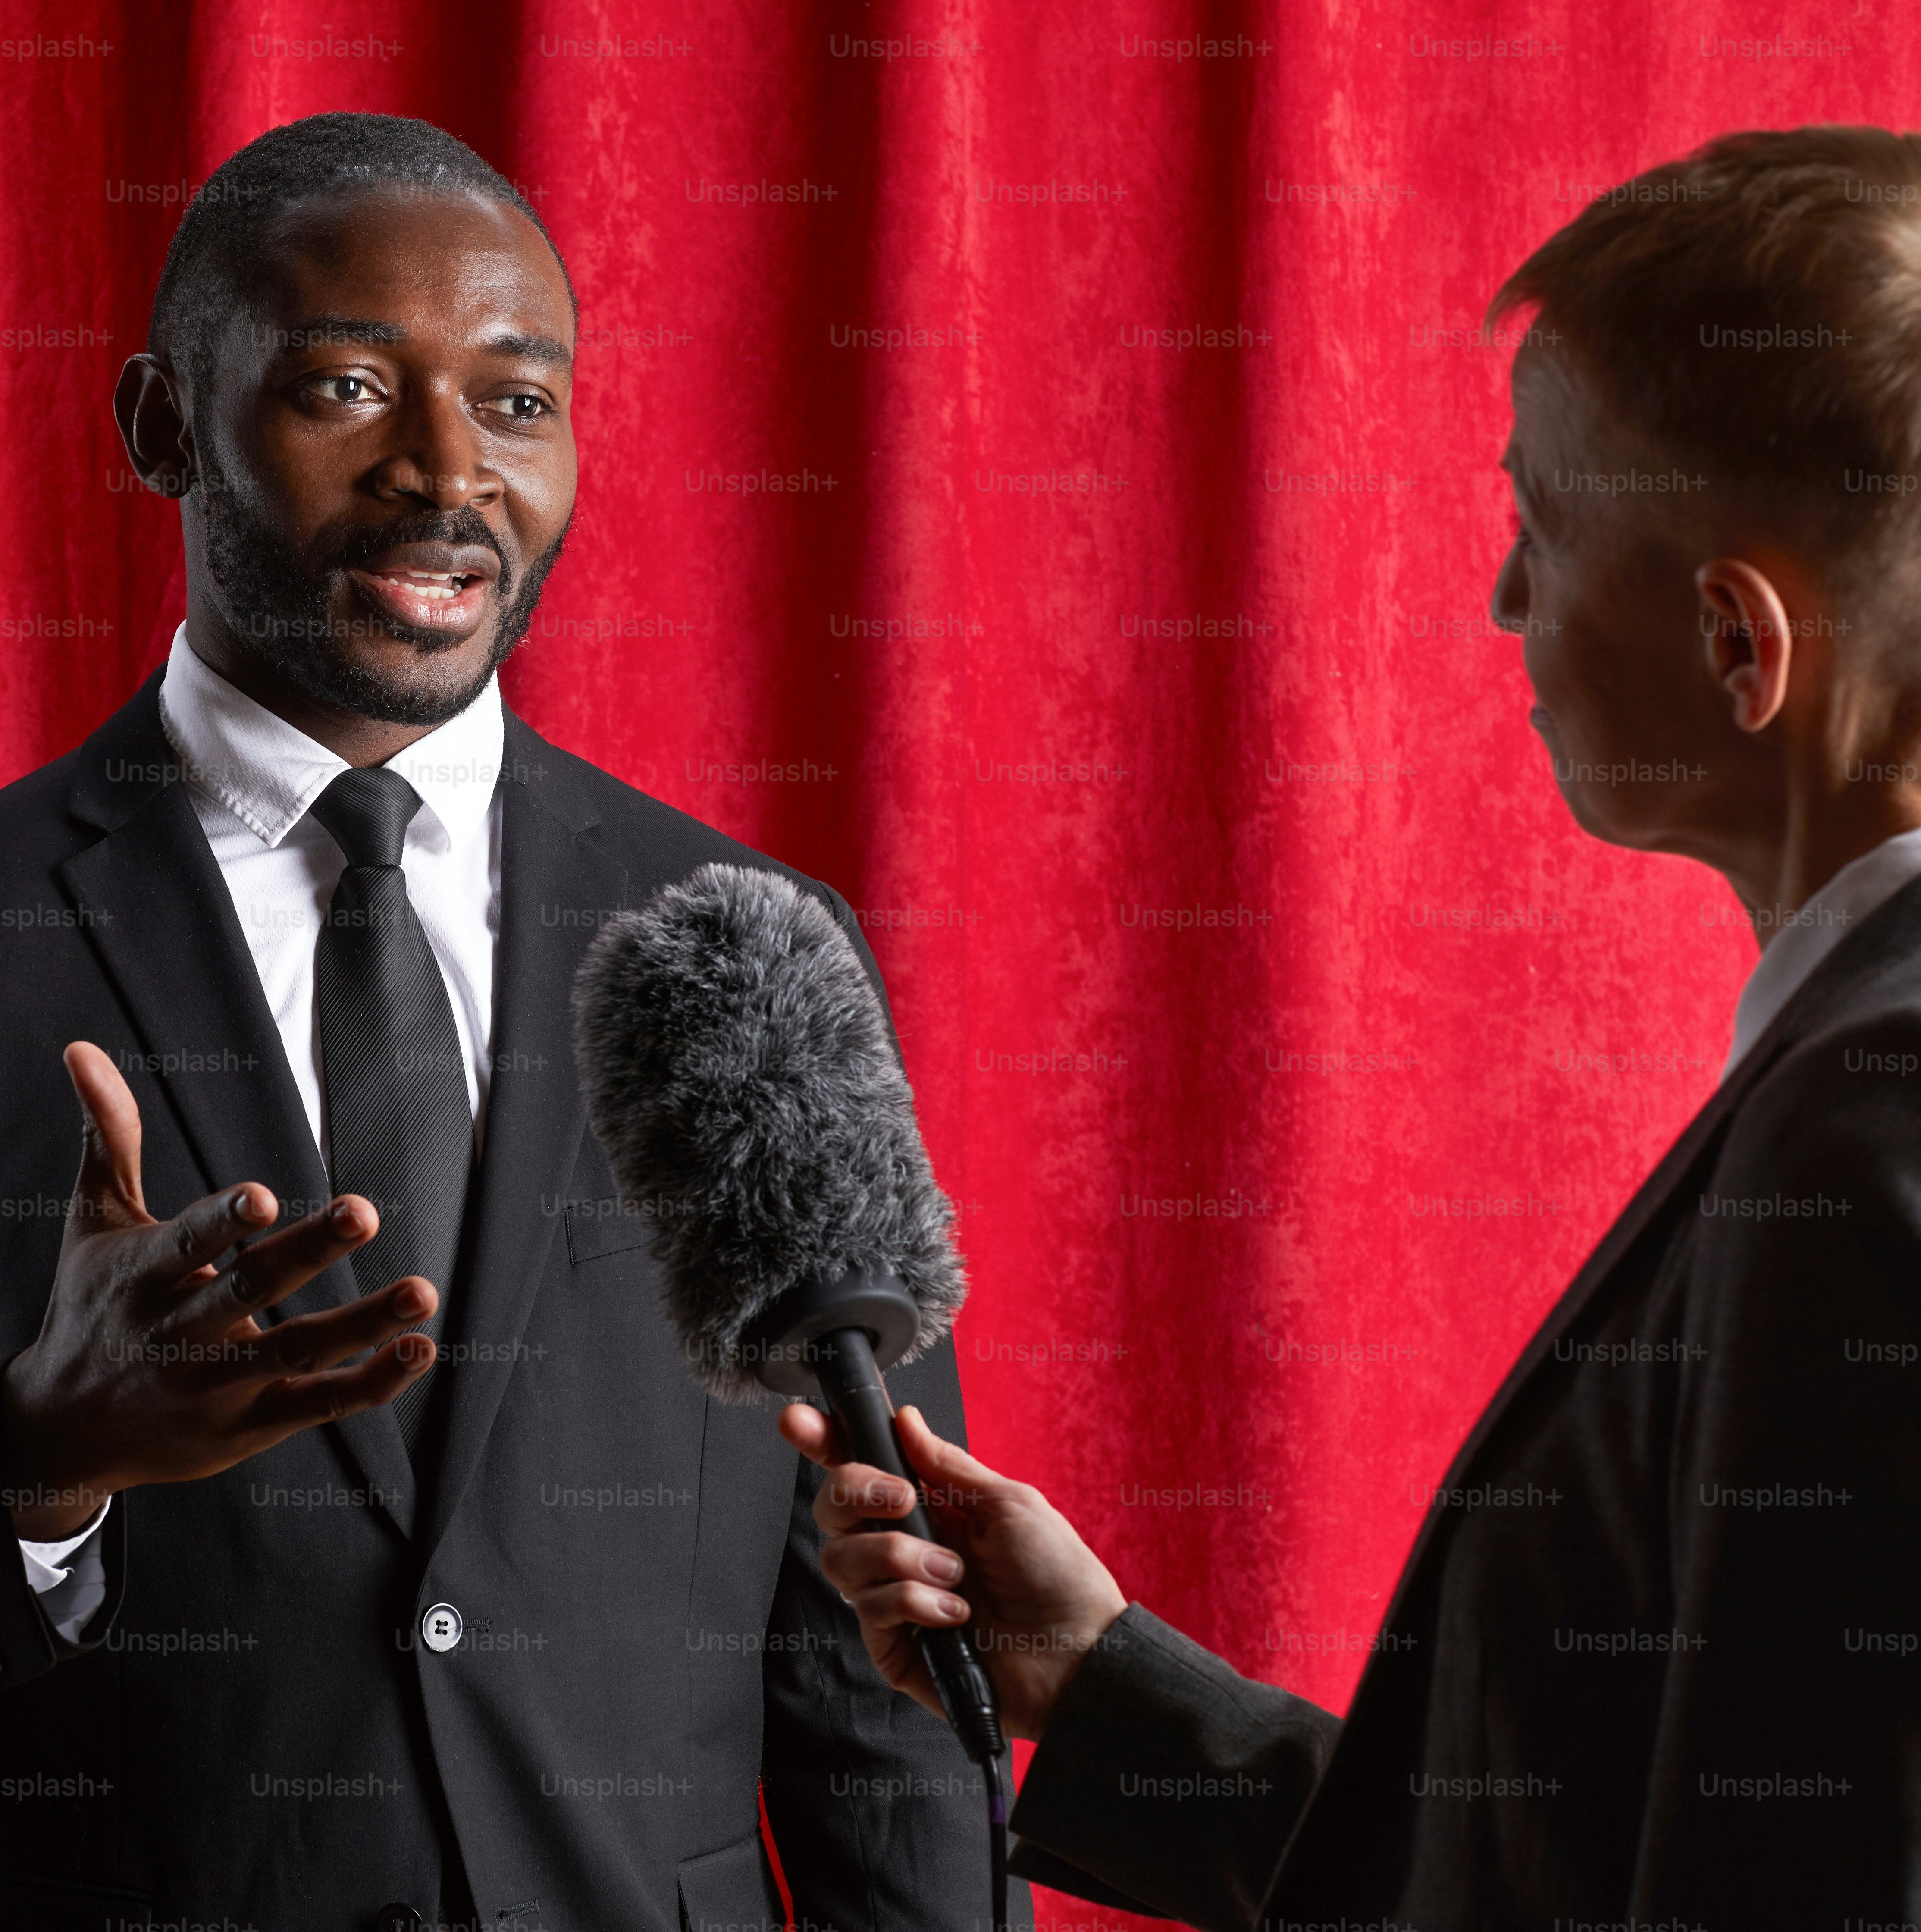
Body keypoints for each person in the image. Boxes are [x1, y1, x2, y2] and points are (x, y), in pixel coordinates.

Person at [0, 113, 1010, 1931]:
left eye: (516, 402)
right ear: (164, 424)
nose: (445, 475)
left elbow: (887, 1684)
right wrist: (36, 1450)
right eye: (347, 386)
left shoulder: (745, 951)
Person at [793, 125, 1921, 1930]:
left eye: (1540, 526)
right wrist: (1107, 1679)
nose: (1503, 600)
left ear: (1737, 645)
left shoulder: (1874, 1126)